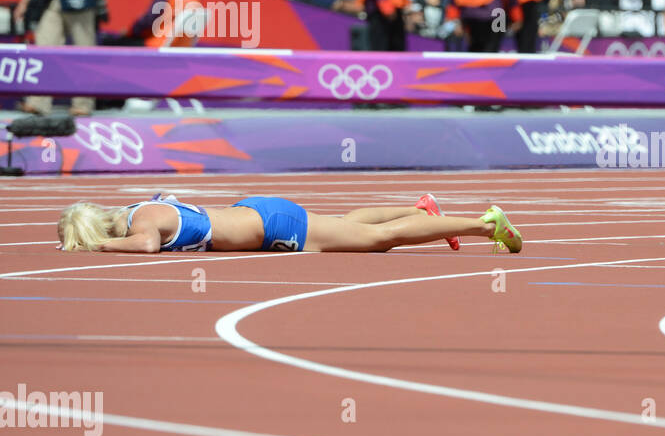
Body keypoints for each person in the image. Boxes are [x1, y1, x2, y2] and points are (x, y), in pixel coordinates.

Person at [57, 192, 522, 254]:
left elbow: (147, 248)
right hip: (263, 214)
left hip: (274, 225)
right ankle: (421, 211)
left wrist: (99, 248)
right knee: (345, 225)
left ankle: (486, 225)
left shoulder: (144, 223)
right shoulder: (142, 207)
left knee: (378, 241)